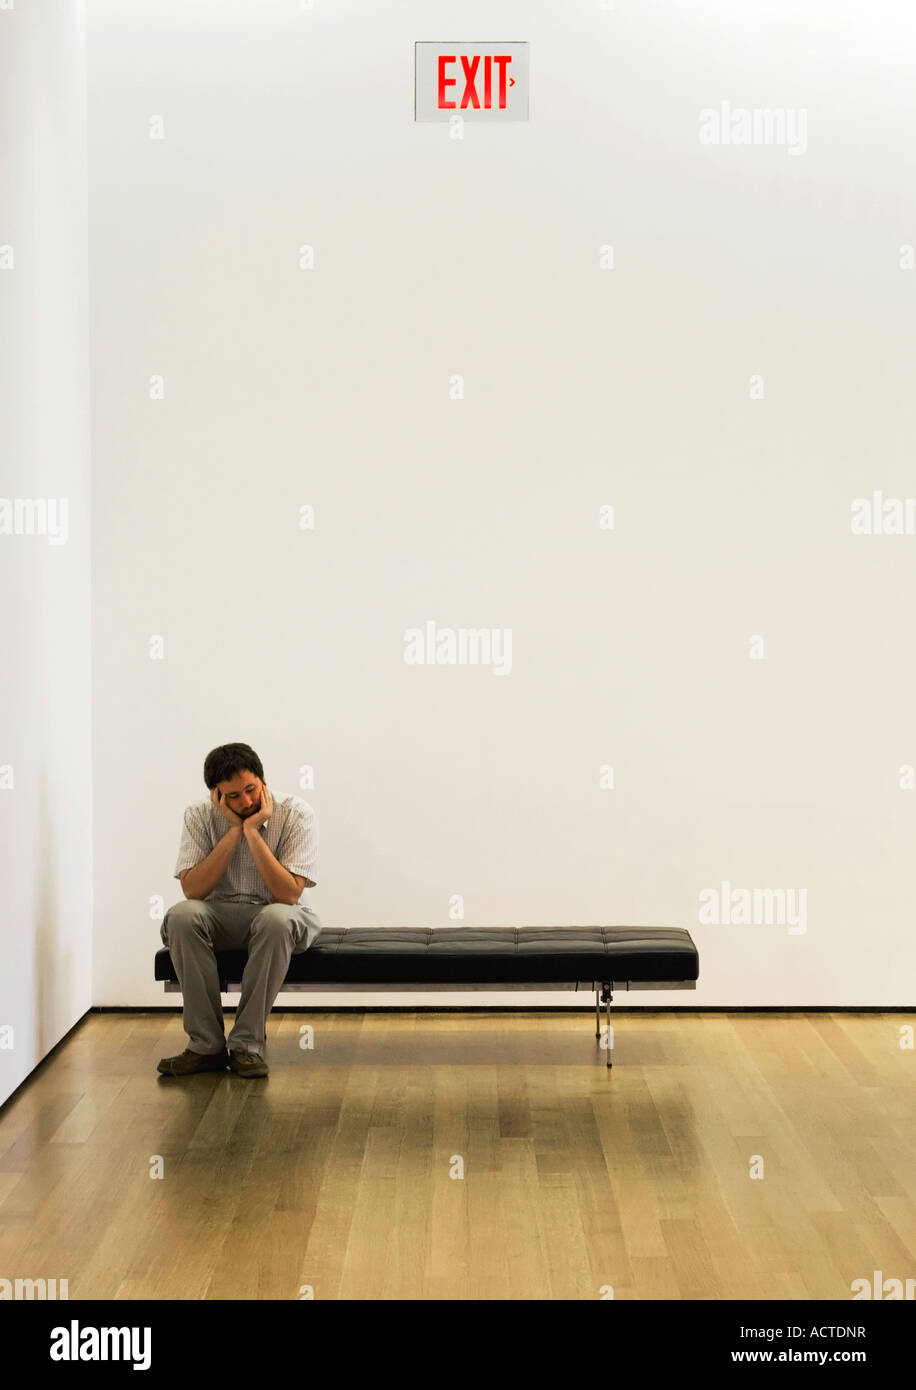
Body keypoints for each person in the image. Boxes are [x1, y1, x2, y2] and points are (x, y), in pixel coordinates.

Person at [158, 742, 322, 1079]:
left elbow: (288, 894)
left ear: (263, 781)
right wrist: (234, 831)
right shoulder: (199, 815)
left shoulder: (296, 813)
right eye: (233, 796)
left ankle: (246, 1045)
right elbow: (193, 890)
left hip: (283, 916)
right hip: (223, 916)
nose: (246, 802)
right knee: (182, 915)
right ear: (216, 795)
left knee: (275, 919)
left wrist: (253, 833)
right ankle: (205, 1047)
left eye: (251, 790)